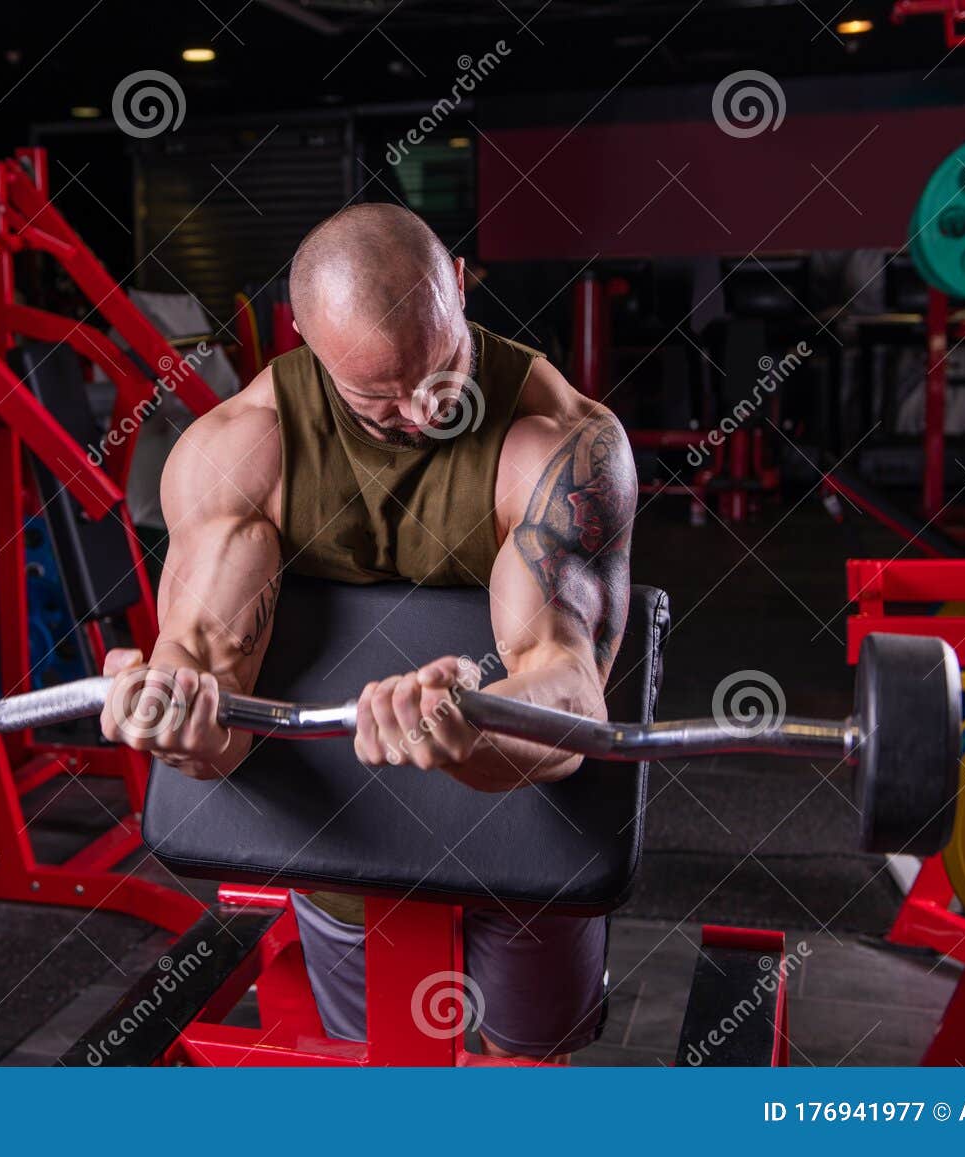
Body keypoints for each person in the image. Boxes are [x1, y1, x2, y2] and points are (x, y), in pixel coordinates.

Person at [101, 203, 635, 1062]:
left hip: (530, 838)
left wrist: (471, 722)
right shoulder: (243, 449)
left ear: (457, 285)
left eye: (440, 372)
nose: (424, 413)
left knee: (528, 1072)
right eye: (380, 399)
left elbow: (569, 694)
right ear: (307, 338)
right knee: (381, 1072)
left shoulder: (561, 445)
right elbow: (204, 677)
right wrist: (174, 718)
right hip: (342, 850)